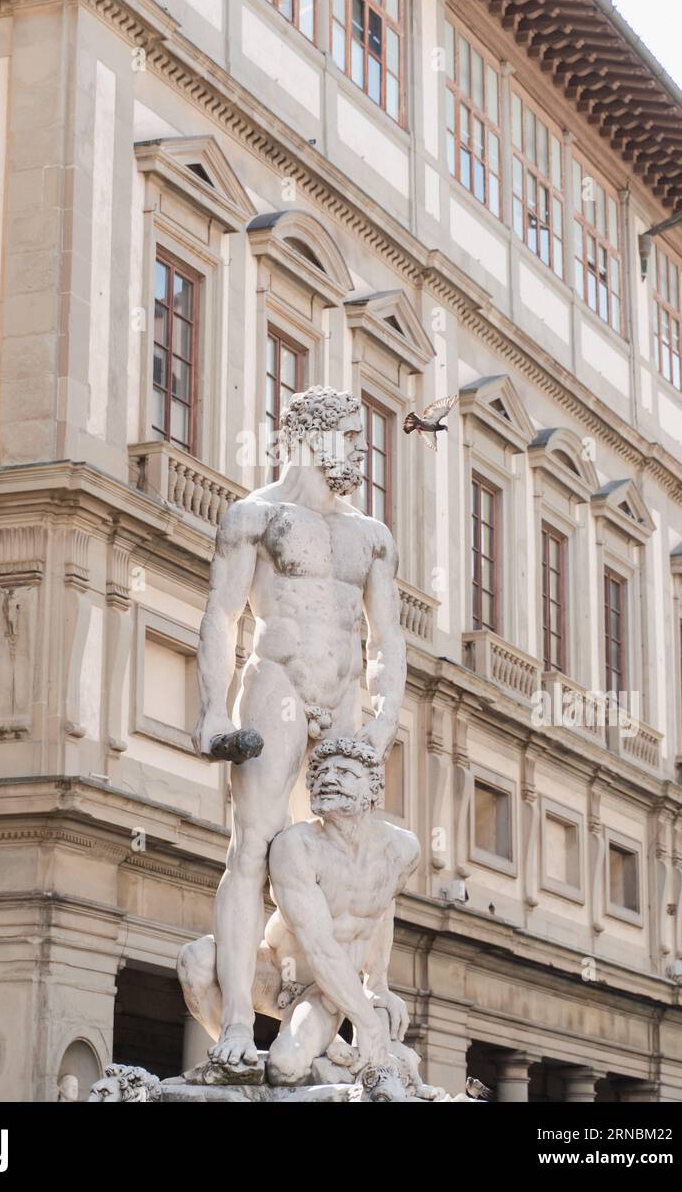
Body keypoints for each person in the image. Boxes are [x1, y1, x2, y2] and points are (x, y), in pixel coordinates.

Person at [192, 386, 406, 1072]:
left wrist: (385, 719)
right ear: (312, 435)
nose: (361, 450)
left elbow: (388, 640)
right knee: (250, 848)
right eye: (349, 434)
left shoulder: (371, 537)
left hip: (341, 697)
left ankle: (358, 997)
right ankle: (231, 1024)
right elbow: (223, 616)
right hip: (277, 685)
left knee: (353, 849)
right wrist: (213, 709)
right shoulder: (254, 518)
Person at [178, 737, 419, 1084]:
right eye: (320, 772)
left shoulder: (403, 849)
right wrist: (366, 1021)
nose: (328, 778)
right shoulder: (296, 846)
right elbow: (317, 945)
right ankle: (239, 1064)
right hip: (277, 970)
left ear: (373, 789)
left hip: (324, 989)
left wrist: (376, 983)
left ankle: (313, 1046)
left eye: (345, 772)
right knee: (195, 959)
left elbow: (381, 907)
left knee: (287, 1066)